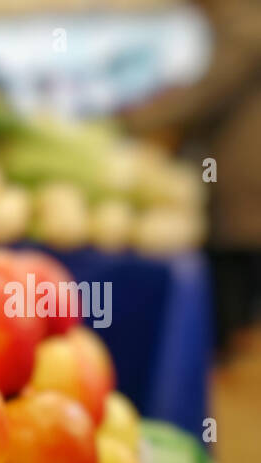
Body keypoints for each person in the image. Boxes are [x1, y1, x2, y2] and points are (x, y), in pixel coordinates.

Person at [122, 0, 261, 349]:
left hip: (240, 166)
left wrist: (139, 120)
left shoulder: (246, 25)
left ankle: (234, 348)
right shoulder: (231, 23)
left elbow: (206, 93)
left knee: (234, 252)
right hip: (227, 164)